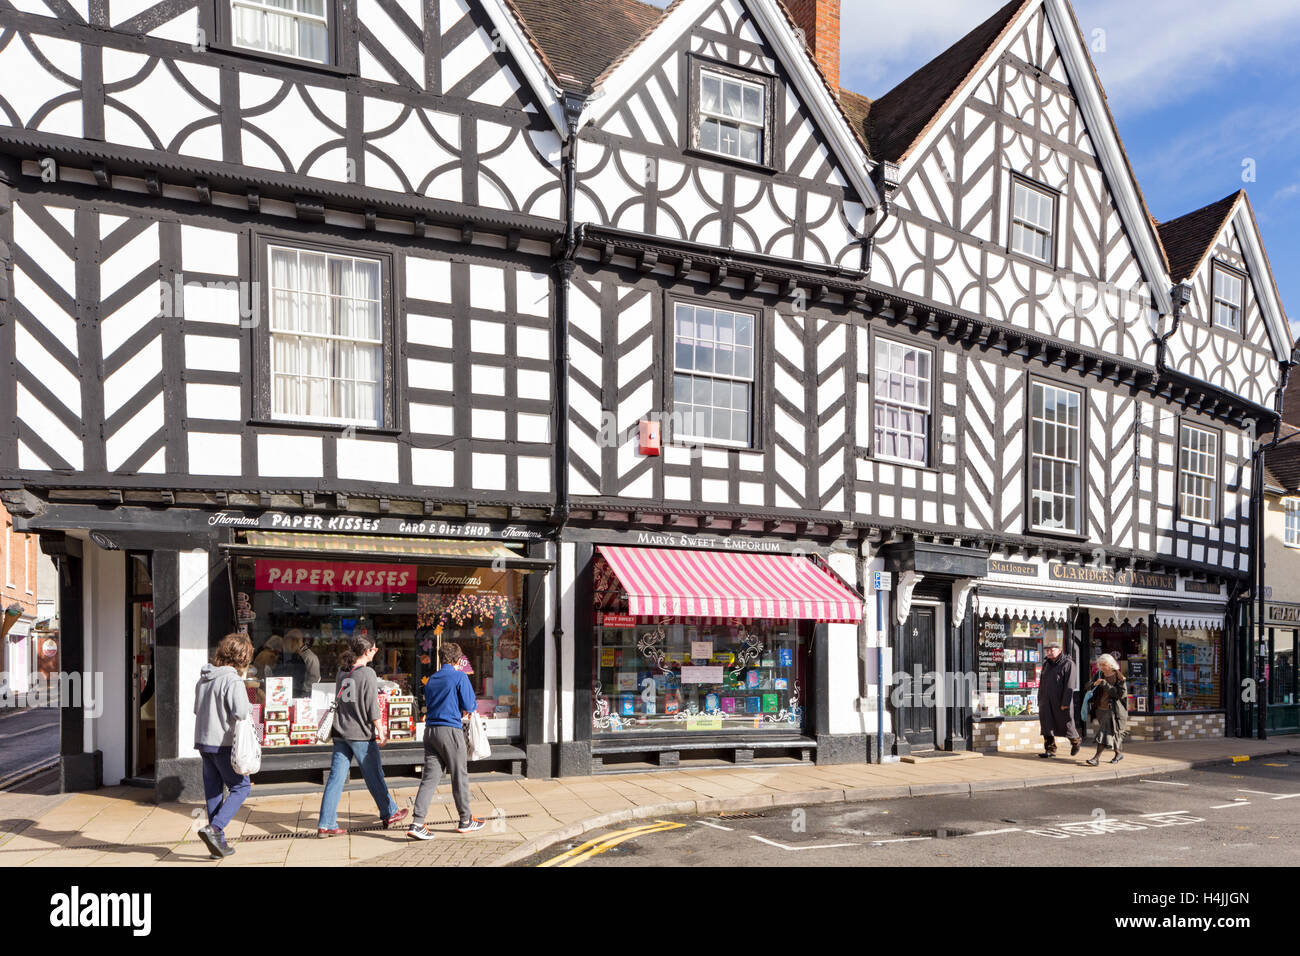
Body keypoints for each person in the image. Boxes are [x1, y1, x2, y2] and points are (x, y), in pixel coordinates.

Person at [317, 634, 409, 836]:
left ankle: (326, 823)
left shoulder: (343, 672)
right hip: (360, 734)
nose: (376, 652)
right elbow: (372, 707)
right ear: (367, 651)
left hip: (340, 732)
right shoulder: (367, 673)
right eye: (374, 649)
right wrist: (381, 730)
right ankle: (390, 812)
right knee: (374, 774)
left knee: (336, 779)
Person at [408, 642, 485, 840]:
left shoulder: (432, 679)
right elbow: (469, 705)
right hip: (450, 731)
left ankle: (417, 823)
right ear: (458, 660)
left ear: (441, 659)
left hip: (431, 731)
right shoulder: (459, 676)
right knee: (459, 775)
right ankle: (465, 820)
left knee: (430, 778)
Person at [194, 633, 255, 859]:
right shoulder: (232, 679)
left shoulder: (204, 677)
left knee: (213, 792)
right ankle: (215, 828)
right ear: (242, 657)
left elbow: (196, 709)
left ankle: (217, 845)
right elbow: (241, 712)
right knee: (241, 787)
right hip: (224, 743)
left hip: (203, 742)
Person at [1037, 642, 1080, 758]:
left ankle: (1076, 742)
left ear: (1059, 650)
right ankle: (1050, 750)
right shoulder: (1046, 664)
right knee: (1046, 725)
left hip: (1060, 701)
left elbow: (1069, 685)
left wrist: (1065, 703)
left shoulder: (1068, 664)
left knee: (1066, 724)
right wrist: (1039, 699)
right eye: (1047, 650)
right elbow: (1042, 683)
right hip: (1045, 700)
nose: (1049, 652)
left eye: (1052, 650)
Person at [1085, 653, 1129, 765]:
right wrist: (1092, 684)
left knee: (1104, 732)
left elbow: (1119, 694)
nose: (1102, 667)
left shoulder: (1119, 677)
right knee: (1110, 733)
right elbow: (1087, 686)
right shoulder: (1099, 674)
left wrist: (1104, 684)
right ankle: (1118, 753)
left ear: (1111, 664)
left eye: (1104, 665)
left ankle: (1096, 758)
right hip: (1100, 708)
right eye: (1100, 665)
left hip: (1113, 710)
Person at [283, 628, 321, 697]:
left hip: (304, 695)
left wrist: (302, 689)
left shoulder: (309, 657)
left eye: (289, 642)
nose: (287, 645)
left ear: (295, 641)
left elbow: (315, 678)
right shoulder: (296, 655)